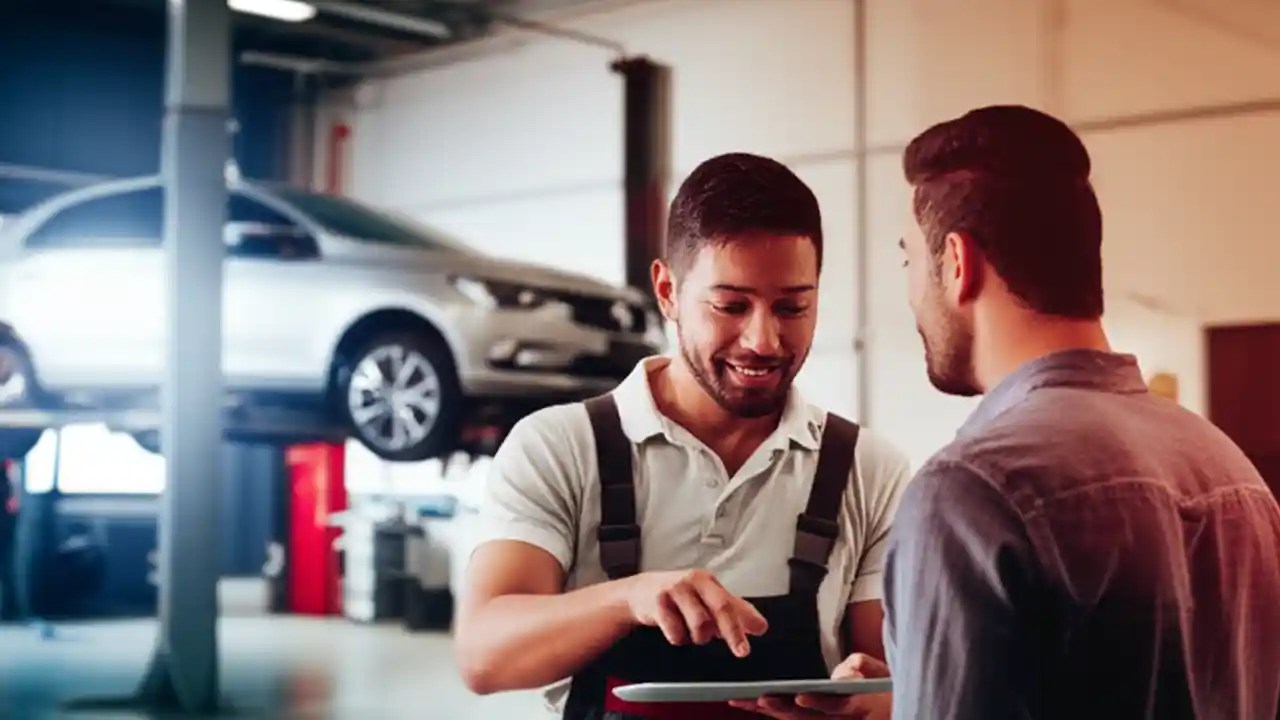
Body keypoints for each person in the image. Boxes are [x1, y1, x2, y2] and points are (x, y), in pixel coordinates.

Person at [455, 152, 913, 719]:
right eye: (730, 305)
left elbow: (892, 679)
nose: (764, 340)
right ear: (667, 291)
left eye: (793, 306)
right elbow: (483, 657)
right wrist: (628, 599)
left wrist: (872, 702)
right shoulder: (559, 448)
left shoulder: (868, 469)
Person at [873, 105, 1280, 719]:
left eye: (909, 261)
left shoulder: (971, 493)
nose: (909, 290)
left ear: (956, 263)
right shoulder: (1233, 475)